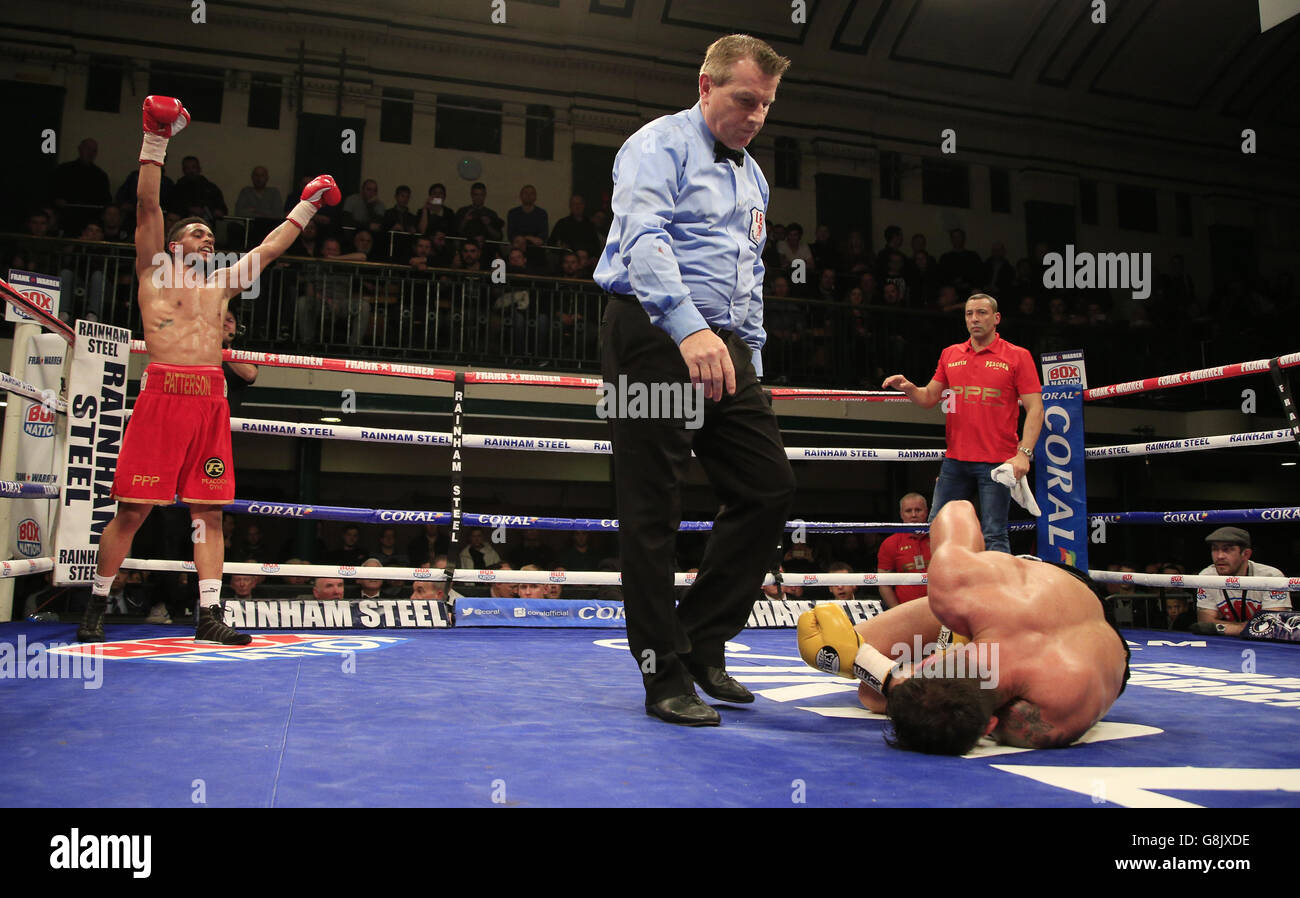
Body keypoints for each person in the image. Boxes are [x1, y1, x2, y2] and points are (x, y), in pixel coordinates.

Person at [77, 95, 339, 645]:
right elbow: (148, 207)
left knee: (212, 513)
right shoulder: (154, 272)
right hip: (163, 396)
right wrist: (156, 138)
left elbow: (269, 250)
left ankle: (209, 615)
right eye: (197, 234)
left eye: (211, 236)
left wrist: (309, 205)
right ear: (175, 244)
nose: (208, 240)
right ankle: (97, 603)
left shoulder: (221, 285)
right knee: (134, 511)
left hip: (210, 400)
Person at [593, 33, 795, 726]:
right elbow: (643, 239)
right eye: (746, 100)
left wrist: (752, 360)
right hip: (650, 330)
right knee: (652, 505)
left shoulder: (756, 177)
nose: (757, 116)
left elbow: (751, 272)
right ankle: (661, 673)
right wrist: (688, 327)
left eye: (766, 105)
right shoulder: (656, 145)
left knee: (767, 488)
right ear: (705, 86)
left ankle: (703, 640)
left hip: (725, 343)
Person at [798, 499, 1130, 754]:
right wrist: (982, 563)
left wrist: (877, 670)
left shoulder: (1042, 718)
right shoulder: (960, 591)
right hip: (1037, 591)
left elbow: (883, 695)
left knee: (867, 690)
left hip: (1078, 622)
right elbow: (957, 508)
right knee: (856, 666)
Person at [883, 294, 1043, 553]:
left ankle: (995, 593)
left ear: (996, 318)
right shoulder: (950, 354)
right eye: (969, 313)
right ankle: (947, 590)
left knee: (994, 533)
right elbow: (929, 398)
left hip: (998, 460)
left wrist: (1023, 453)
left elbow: (1035, 408)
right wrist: (910, 388)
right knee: (938, 526)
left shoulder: (1017, 356)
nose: (975, 319)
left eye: (981, 312)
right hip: (956, 459)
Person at [1193, 527, 1289, 636]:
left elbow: (1272, 625)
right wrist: (1246, 627)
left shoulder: (1271, 577)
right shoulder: (1207, 577)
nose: (1219, 556)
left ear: (1246, 554)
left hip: (1267, 646)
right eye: (1215, 549)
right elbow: (1205, 623)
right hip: (1224, 644)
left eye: (1227, 549)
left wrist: (1222, 628)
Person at [876, 492, 932, 608]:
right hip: (906, 610)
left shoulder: (940, 537)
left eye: (918, 510)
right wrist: (897, 612)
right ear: (901, 514)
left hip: (941, 610)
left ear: (926, 512)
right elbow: (884, 584)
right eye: (908, 511)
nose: (913, 515)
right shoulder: (890, 543)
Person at [221, 309, 258, 415]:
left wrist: (223, 349)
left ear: (237, 327)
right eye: (220, 319)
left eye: (229, 320)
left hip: (228, 418)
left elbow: (250, 375)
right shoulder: (201, 349)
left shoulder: (242, 353)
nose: (224, 324)